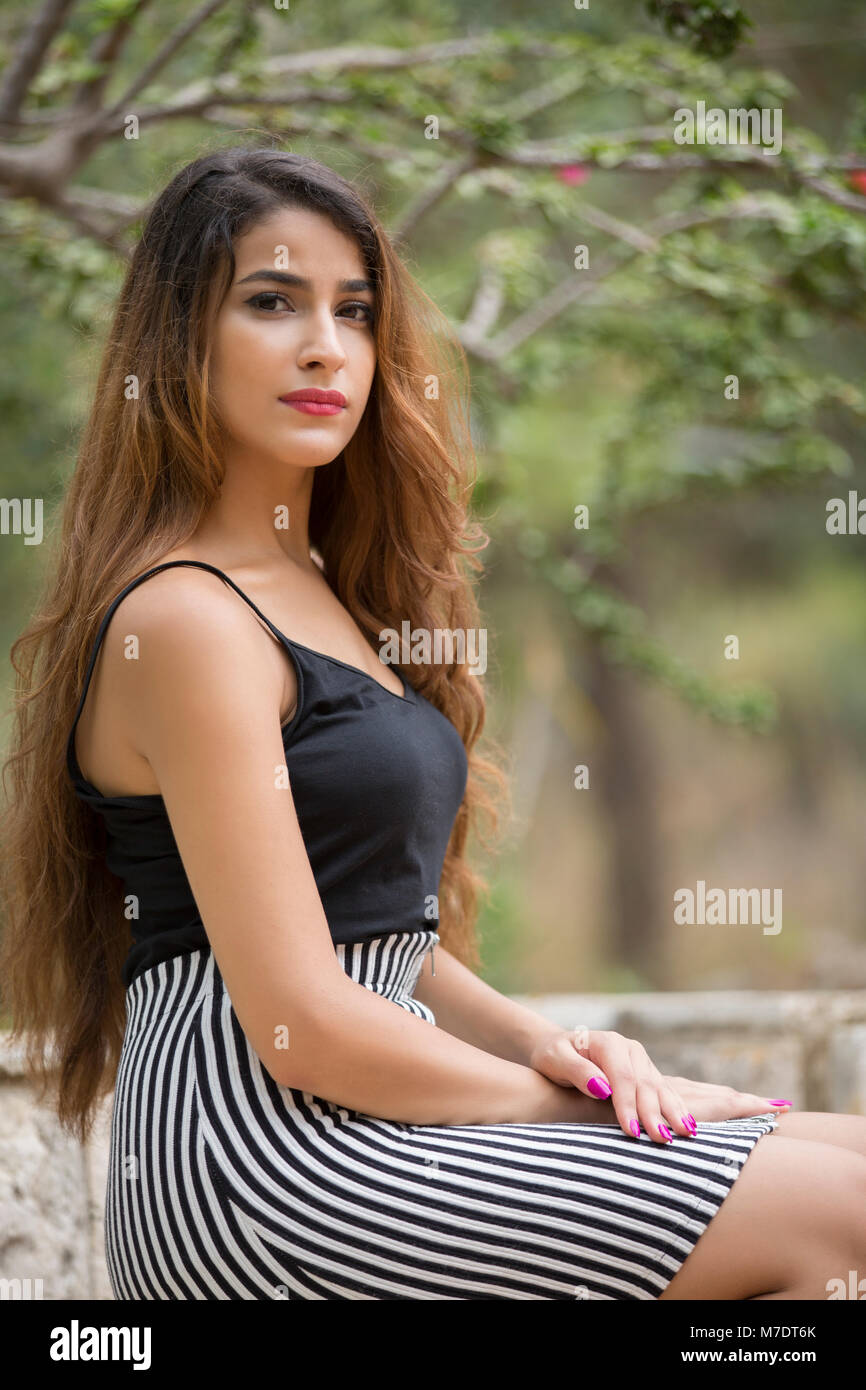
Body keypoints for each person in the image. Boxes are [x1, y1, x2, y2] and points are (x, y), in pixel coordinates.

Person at [2, 146, 864, 1301]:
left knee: (845, 1162)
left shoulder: (317, 590)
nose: (325, 347)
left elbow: (380, 945)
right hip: (261, 1164)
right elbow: (304, 1020)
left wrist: (550, 1049)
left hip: (366, 1120)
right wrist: (586, 1113)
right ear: (176, 341)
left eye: (353, 313)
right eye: (272, 302)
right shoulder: (187, 619)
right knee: (840, 1212)